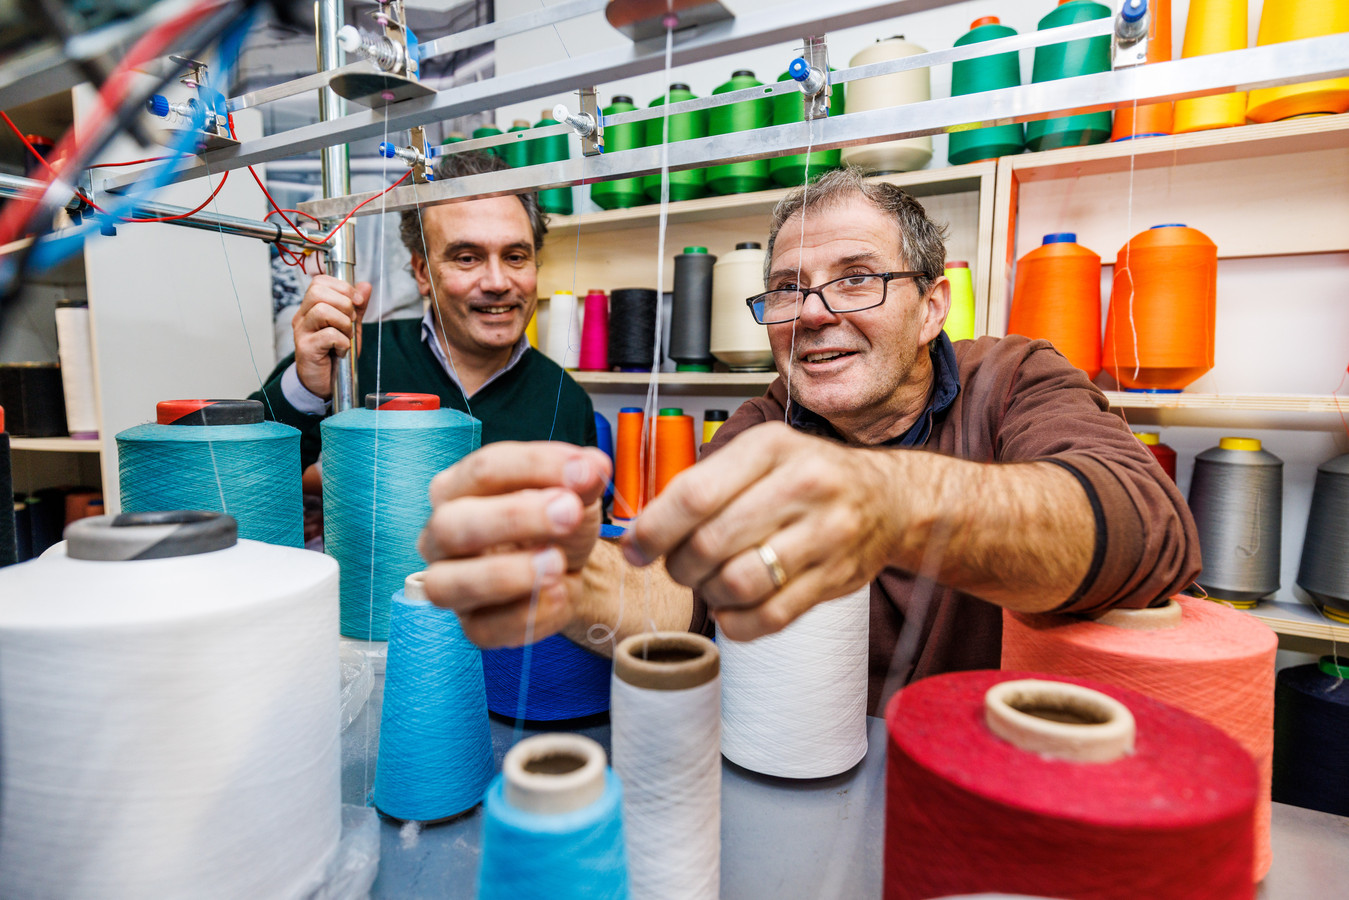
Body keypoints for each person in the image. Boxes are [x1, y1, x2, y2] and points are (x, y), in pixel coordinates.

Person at [417, 167, 1200, 713]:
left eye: (856, 277)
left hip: (1001, 774)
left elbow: (1150, 532)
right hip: (818, 770)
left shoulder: (1012, 379)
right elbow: (689, 602)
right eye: (787, 289)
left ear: (931, 308)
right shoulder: (764, 425)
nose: (814, 312)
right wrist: (573, 577)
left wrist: (888, 497)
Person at [253, 150, 597, 472]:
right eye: (467, 258)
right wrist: (309, 390)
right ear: (422, 272)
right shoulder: (345, 360)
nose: (497, 282)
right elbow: (240, 479)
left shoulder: (566, 398)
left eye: (515, 257)